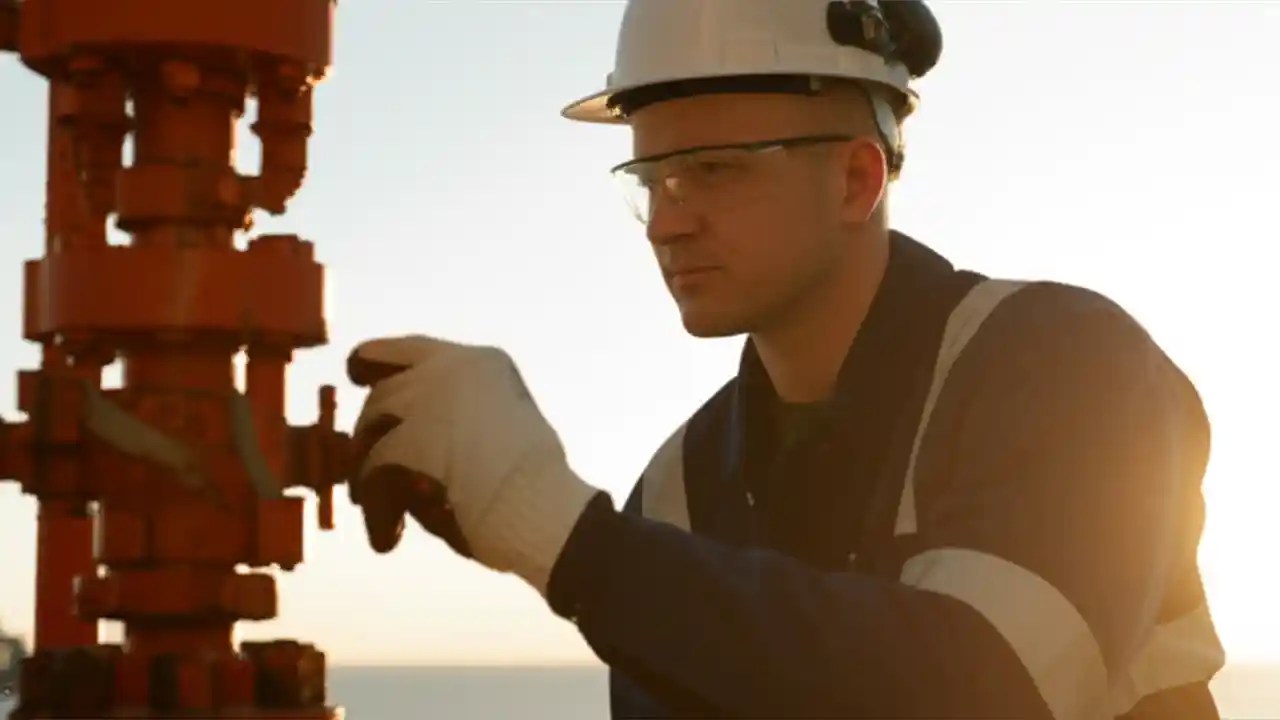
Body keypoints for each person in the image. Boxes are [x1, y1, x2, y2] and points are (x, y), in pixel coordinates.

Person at [344, 1, 1226, 717]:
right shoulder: (681, 488)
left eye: (714, 170)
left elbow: (996, 684)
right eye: (650, 180)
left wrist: (562, 536)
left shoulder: (1069, 366)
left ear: (857, 179)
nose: (666, 221)